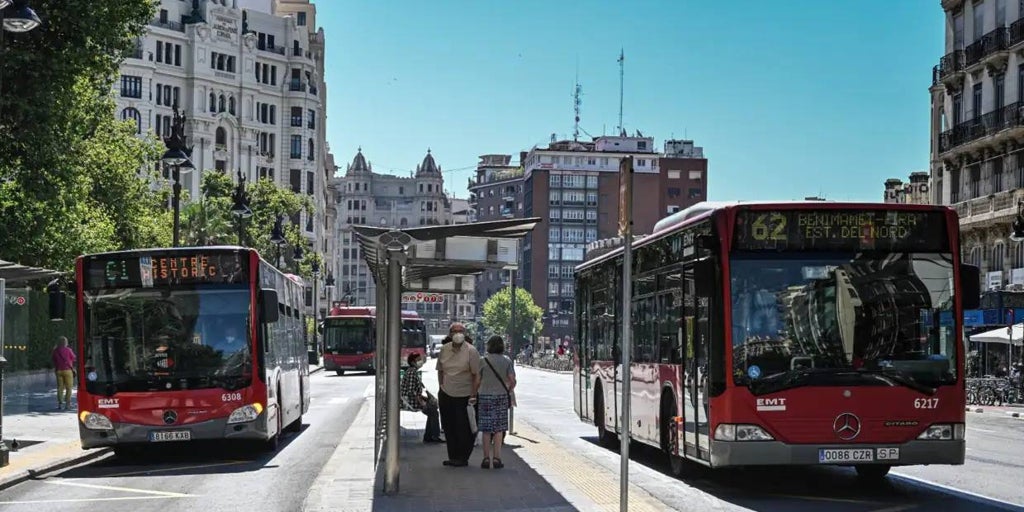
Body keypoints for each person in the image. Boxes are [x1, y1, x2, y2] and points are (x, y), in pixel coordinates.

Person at [436, 322, 481, 467]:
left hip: (465, 395)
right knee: (449, 427)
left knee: (464, 428)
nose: (457, 334)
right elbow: (440, 370)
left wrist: (473, 395)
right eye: (454, 331)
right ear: (449, 334)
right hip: (446, 393)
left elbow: (476, 375)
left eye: (460, 331)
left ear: (465, 333)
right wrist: (441, 387)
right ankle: (453, 456)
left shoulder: (471, 351)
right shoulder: (444, 349)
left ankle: (463, 457)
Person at [478, 336, 516, 469]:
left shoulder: (482, 361)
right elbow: (512, 380)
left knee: (486, 430)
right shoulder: (506, 361)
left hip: (484, 397)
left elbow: (477, 380)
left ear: (489, 346)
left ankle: (485, 459)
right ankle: (497, 458)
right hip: (501, 397)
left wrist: (474, 393)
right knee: (498, 429)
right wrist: (508, 390)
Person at [401, 353, 443, 443]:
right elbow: (411, 391)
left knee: (433, 410)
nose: (420, 361)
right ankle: (433, 436)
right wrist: (422, 402)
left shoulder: (412, 371)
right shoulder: (412, 372)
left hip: (413, 398)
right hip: (410, 400)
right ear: (413, 362)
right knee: (433, 411)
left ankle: (430, 436)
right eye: (418, 360)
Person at [51, 336, 76, 410]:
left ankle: (60, 403)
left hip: (58, 371)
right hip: (67, 370)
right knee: (69, 388)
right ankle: (67, 404)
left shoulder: (55, 351)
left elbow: (53, 359)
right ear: (66, 342)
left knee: (60, 388)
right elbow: (74, 358)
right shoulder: (68, 350)